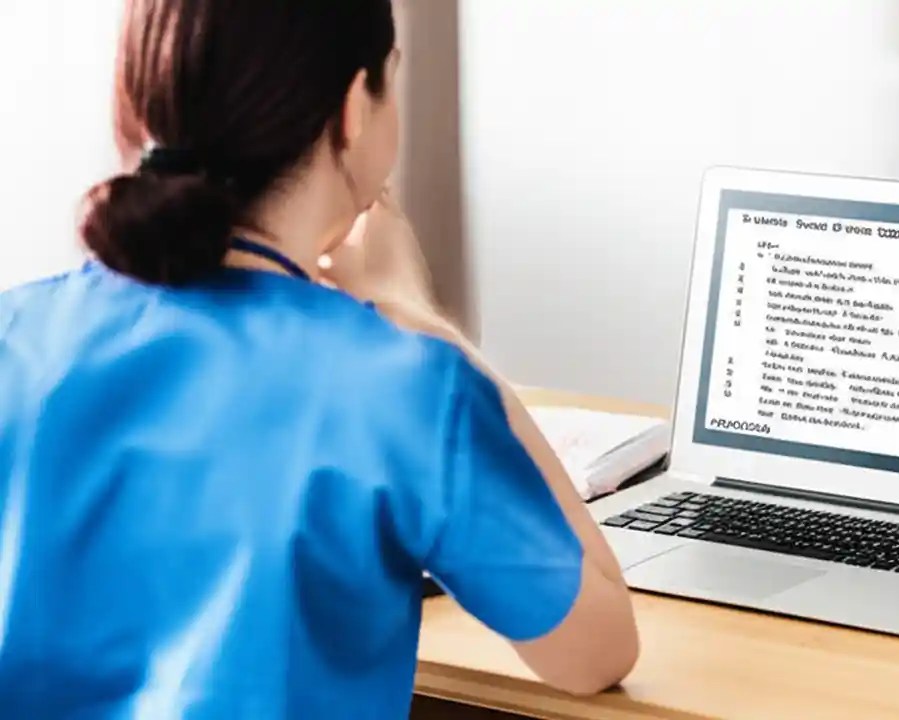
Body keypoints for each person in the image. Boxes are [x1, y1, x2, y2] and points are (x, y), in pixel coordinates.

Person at [0, 0, 639, 716]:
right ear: (353, 113)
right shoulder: (402, 387)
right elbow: (598, 651)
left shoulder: (13, 339)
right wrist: (425, 322)